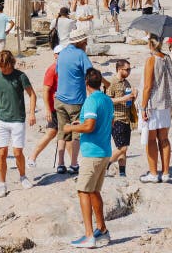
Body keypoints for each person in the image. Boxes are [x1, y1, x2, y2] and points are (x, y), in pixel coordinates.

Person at [63, 68, 113, 248]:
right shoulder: (106, 99)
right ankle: (103, 230)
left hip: (93, 153)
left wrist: (71, 128)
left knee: (83, 191)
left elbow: (90, 126)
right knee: (93, 191)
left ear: (85, 83)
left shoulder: (91, 101)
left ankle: (89, 235)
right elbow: (105, 122)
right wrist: (81, 124)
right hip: (105, 151)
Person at [0, 49, 37, 197]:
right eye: (0, 66)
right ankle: (2, 184)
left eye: (4, 66)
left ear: (11, 63)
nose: (2, 69)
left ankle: (23, 176)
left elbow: (32, 94)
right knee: (2, 153)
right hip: (1, 120)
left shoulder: (21, 76)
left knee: (17, 153)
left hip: (18, 120)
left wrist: (32, 113)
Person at [140, 34, 172, 183]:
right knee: (164, 138)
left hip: (153, 103)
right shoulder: (167, 58)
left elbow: (148, 86)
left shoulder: (151, 60)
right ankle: (166, 173)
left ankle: (153, 173)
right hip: (166, 102)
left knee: (151, 139)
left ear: (150, 44)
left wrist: (143, 107)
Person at [55, 29, 93, 175]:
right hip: (75, 100)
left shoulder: (62, 53)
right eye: (85, 41)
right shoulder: (80, 54)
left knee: (62, 131)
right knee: (77, 131)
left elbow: (58, 71)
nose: (86, 43)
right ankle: (74, 164)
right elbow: (91, 74)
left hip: (60, 99)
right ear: (79, 42)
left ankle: (60, 163)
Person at [27, 45, 63, 171]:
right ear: (55, 55)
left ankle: (61, 163)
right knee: (52, 133)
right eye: (59, 54)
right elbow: (45, 90)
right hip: (54, 107)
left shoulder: (65, 69)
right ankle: (32, 157)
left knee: (63, 135)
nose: (61, 56)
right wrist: (47, 109)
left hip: (63, 106)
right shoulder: (52, 69)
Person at [106, 59, 136, 177]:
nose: (129, 72)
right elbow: (107, 100)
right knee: (122, 148)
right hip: (116, 118)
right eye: (127, 69)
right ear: (119, 69)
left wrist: (133, 97)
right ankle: (106, 164)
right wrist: (123, 98)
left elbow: (128, 100)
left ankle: (122, 173)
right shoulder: (112, 82)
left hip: (126, 118)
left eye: (130, 69)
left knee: (123, 148)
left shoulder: (126, 83)